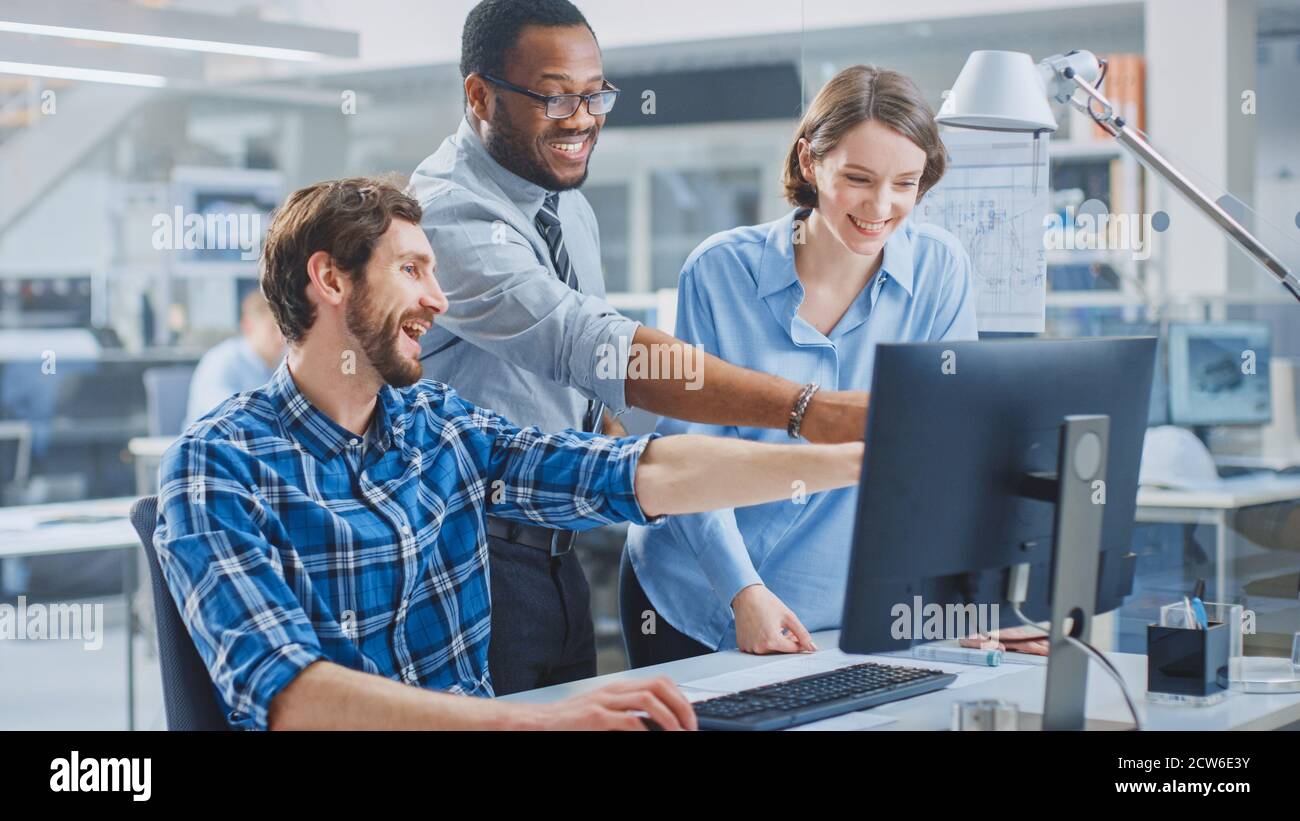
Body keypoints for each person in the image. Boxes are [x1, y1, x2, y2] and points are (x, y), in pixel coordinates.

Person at [153, 176, 863, 730]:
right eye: (411, 269)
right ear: (331, 279)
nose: (438, 299)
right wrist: (533, 718)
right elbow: (292, 697)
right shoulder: (218, 465)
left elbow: (636, 471)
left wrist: (855, 458)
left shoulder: (437, 423)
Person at [410, 0, 869, 696]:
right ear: (480, 95)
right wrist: (803, 409)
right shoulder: (451, 214)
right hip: (473, 558)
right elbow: (595, 347)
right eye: (556, 95)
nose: (584, 117)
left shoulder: (565, 203)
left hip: (561, 553)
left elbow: (612, 399)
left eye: (596, 94)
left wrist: (736, 564)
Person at [622, 65, 979, 667]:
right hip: (701, 592)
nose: (882, 206)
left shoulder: (941, 271)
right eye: (858, 178)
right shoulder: (720, 272)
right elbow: (690, 448)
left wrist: (970, 598)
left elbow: (948, 449)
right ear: (810, 163)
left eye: (906, 183)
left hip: (841, 606)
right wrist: (743, 590)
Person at [184, 289, 285, 428]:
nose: (282, 338)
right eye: (272, 329)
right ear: (248, 327)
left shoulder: (283, 361)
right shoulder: (221, 362)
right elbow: (231, 419)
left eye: (284, 329)